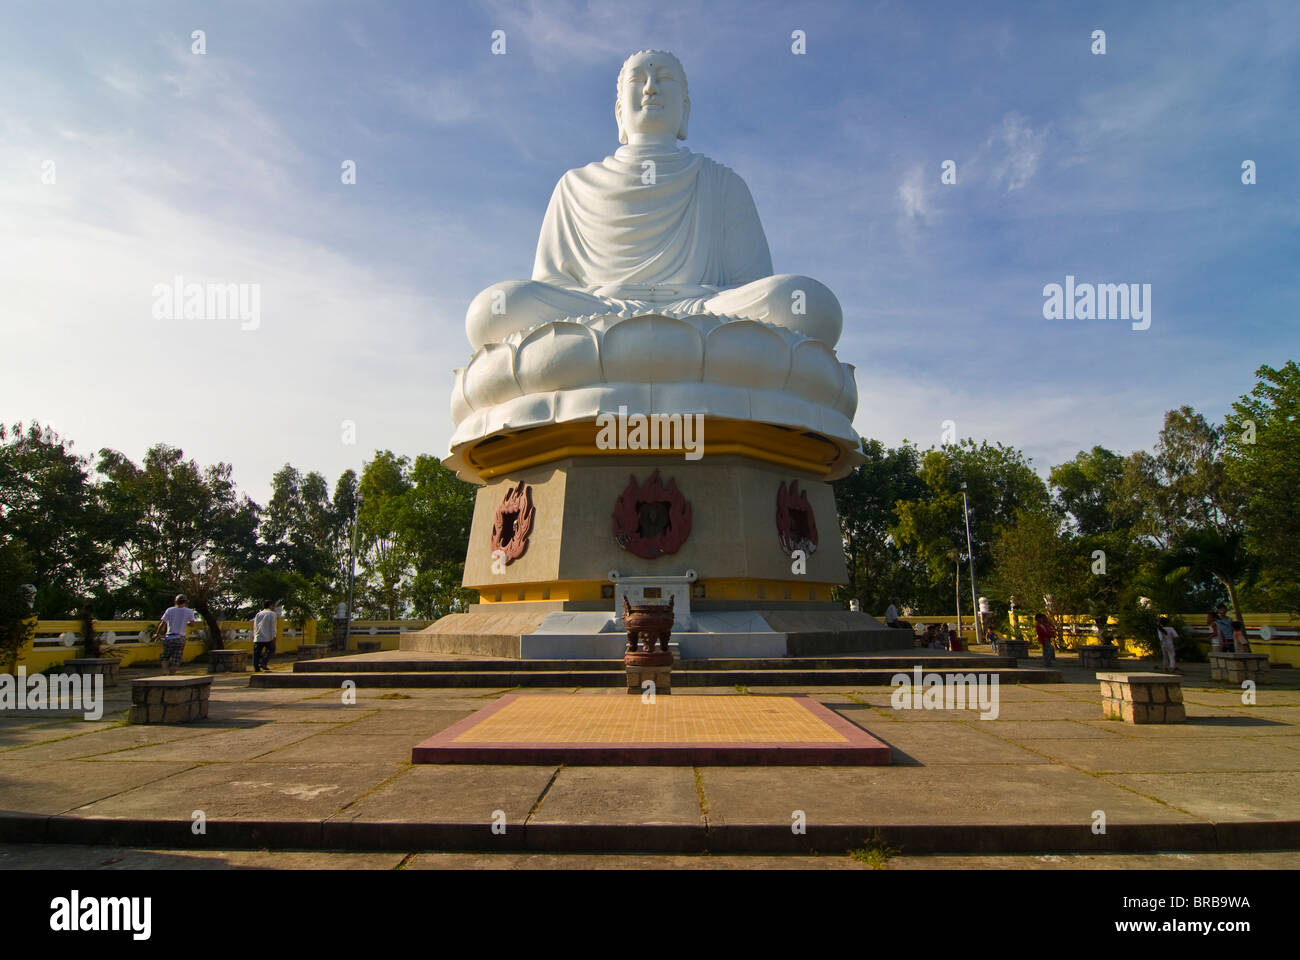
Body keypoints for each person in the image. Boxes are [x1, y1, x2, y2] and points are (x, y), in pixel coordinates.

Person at [154, 594, 197, 675]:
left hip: (169, 637)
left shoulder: (169, 610)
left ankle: (164, 672)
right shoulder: (189, 611)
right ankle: (171, 675)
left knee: (165, 656)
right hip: (180, 638)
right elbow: (192, 624)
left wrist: (157, 633)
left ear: (175, 601)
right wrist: (186, 622)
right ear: (185, 602)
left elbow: (162, 624)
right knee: (176, 659)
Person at [253, 599, 278, 672]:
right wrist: (274, 636)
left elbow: (255, 625)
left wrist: (254, 634)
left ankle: (256, 667)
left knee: (257, 653)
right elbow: (273, 626)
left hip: (258, 635)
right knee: (271, 649)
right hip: (268, 637)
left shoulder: (258, 614)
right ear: (270, 606)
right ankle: (263, 662)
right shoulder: (272, 614)